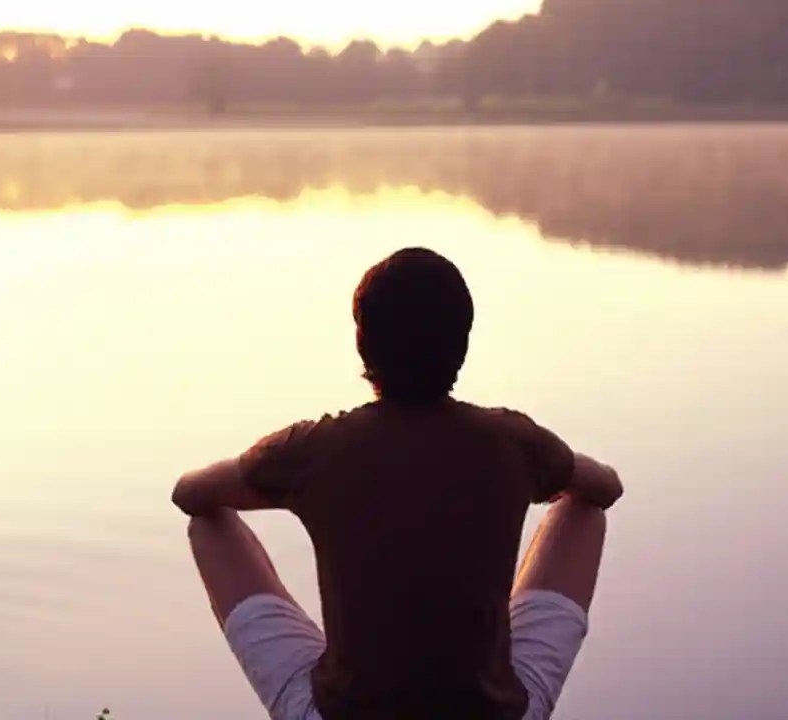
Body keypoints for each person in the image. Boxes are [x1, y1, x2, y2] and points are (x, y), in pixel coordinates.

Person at [172, 247, 622, 720]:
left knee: (208, 522)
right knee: (583, 509)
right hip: (496, 714)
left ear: (363, 343)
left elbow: (190, 495)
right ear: (462, 343)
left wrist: (281, 482)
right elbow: (605, 488)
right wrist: (532, 474)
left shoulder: (314, 448)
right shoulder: (511, 441)